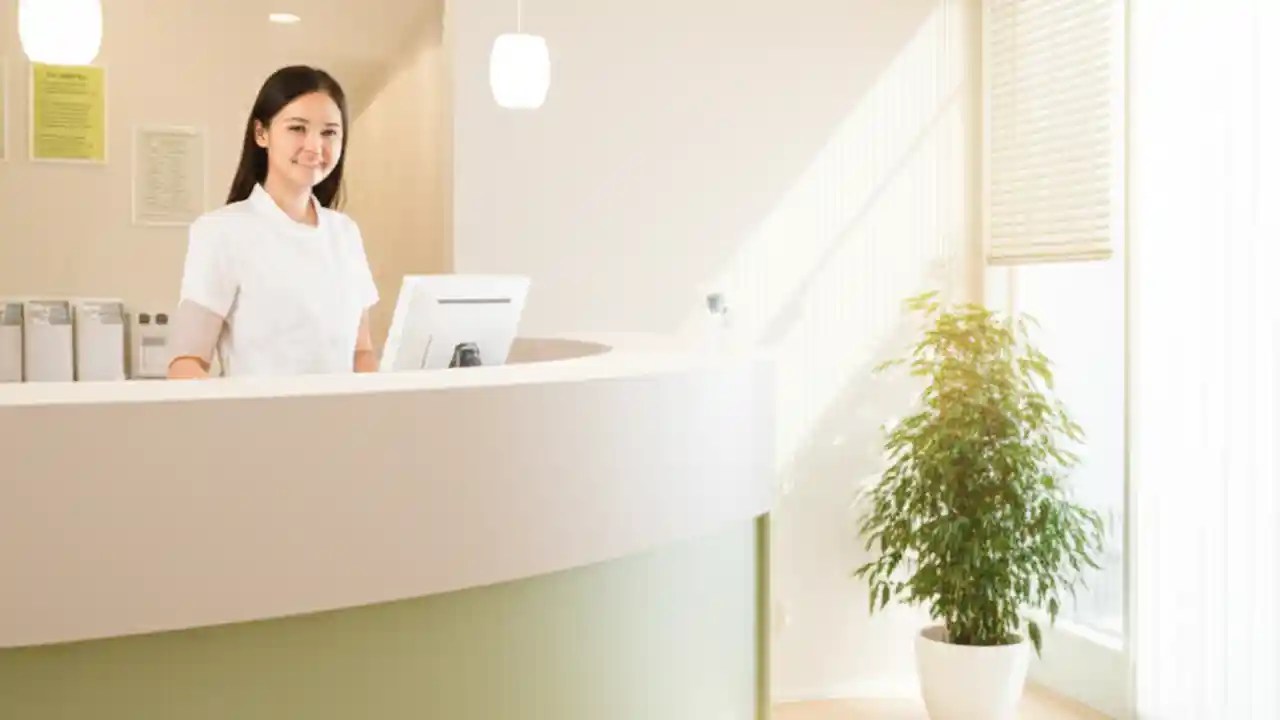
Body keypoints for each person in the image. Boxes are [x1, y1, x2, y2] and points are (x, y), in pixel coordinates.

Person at [167, 66, 379, 379]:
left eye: (329, 132)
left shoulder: (345, 233)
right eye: (297, 128)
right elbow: (186, 362)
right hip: (257, 426)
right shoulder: (221, 232)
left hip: (344, 425)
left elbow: (361, 352)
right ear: (261, 133)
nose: (314, 146)